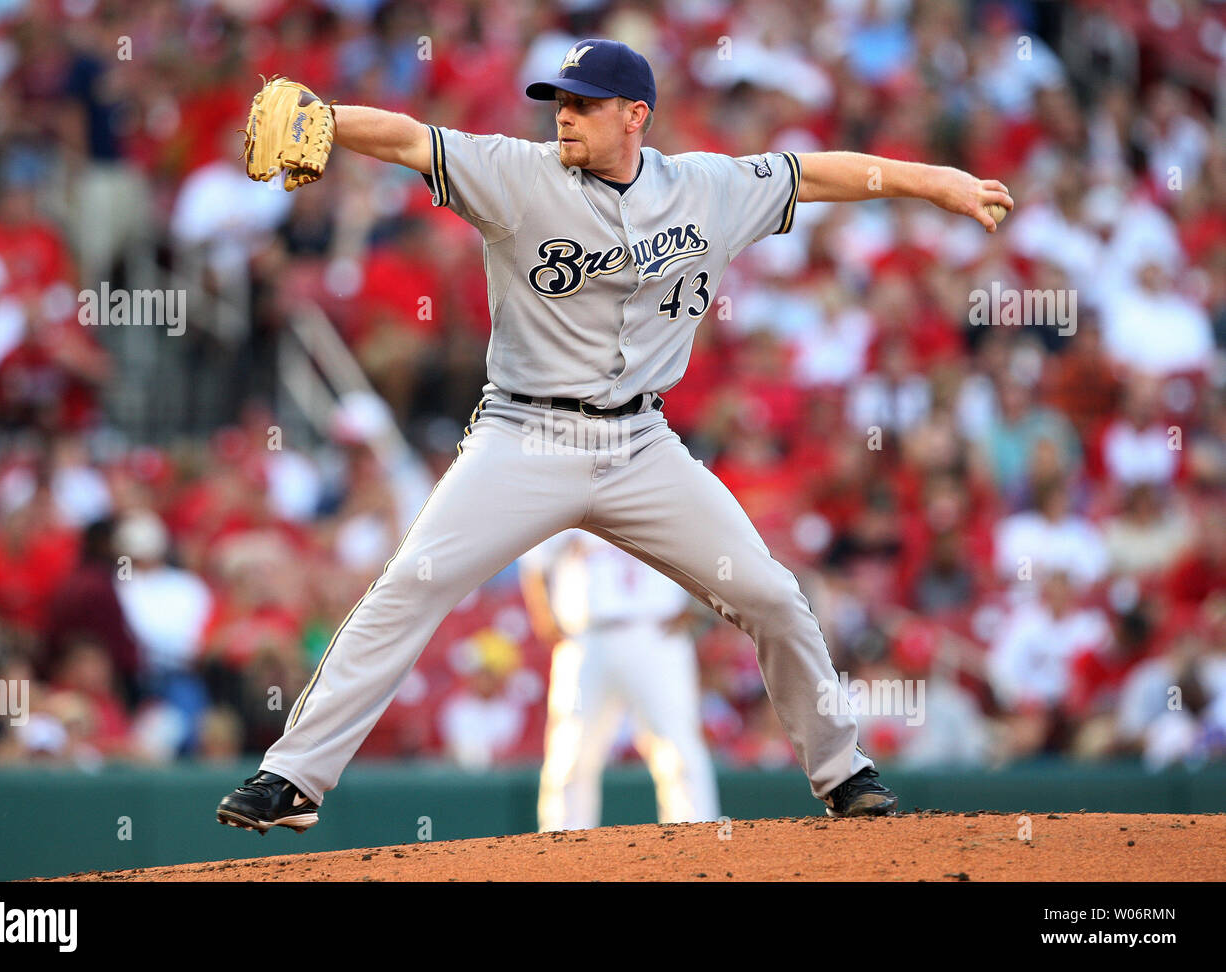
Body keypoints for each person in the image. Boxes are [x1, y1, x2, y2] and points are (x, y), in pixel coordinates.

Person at [218, 38, 1014, 833]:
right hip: (524, 434)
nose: (565, 117)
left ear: (635, 115)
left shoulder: (706, 187)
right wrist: (325, 117)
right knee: (410, 584)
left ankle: (844, 774)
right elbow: (407, 138)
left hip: (642, 445)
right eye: (560, 102)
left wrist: (933, 181)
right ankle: (293, 777)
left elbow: (816, 173)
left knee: (769, 594)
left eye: (585, 104)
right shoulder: (516, 174)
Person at [520, 530, 719, 831]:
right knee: (571, 747)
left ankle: (696, 836)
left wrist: (696, 607)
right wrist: (544, 615)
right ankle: (561, 843)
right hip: (586, 637)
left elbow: (706, 550)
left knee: (678, 744)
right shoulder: (569, 493)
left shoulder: (662, 491)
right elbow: (535, 562)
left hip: (656, 631)